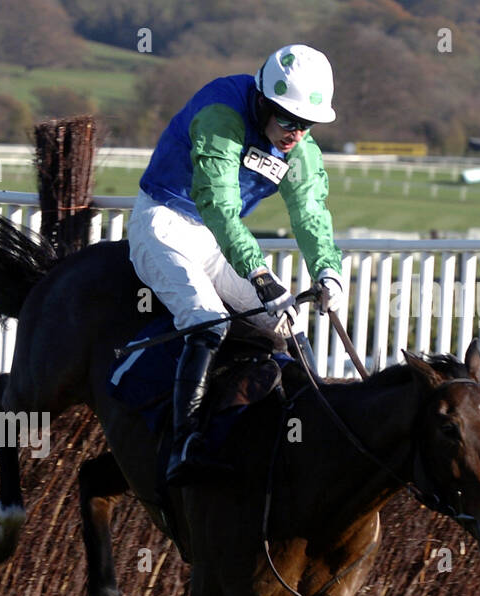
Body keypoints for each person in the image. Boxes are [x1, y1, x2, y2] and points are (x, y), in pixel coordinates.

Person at [129, 43, 347, 486]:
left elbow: (309, 212)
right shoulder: (221, 113)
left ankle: (316, 435)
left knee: (287, 324)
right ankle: (182, 445)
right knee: (208, 319)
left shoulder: (299, 147)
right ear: (263, 101)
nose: (296, 135)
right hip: (164, 223)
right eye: (289, 120)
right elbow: (219, 206)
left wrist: (328, 270)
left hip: (214, 241)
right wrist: (259, 272)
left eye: (307, 125)